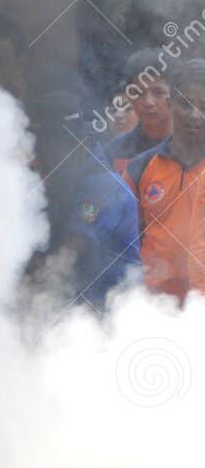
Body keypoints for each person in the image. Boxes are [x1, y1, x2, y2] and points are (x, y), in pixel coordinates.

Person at [31, 92, 139, 308]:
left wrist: (36, 280)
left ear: (79, 145)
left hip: (113, 307)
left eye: (49, 146)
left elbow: (76, 241)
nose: (40, 154)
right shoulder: (66, 176)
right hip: (82, 299)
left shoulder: (102, 188)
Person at [126, 59, 205, 302]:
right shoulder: (140, 168)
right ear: (170, 104)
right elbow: (121, 241)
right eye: (186, 104)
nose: (195, 115)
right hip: (156, 309)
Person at [105, 48, 171, 178]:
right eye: (138, 93)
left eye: (158, 92)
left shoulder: (194, 149)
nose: (148, 102)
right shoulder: (113, 151)